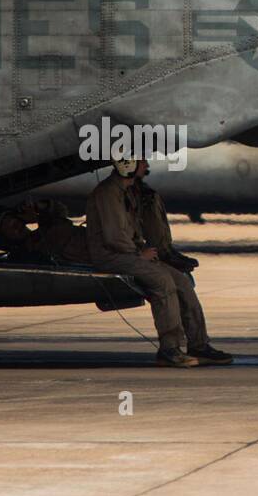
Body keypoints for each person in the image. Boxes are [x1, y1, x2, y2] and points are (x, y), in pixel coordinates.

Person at [85, 157, 232, 367]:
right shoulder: (108, 193)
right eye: (141, 161)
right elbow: (114, 237)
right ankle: (169, 349)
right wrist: (138, 254)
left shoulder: (130, 190)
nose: (146, 165)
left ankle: (199, 345)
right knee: (162, 282)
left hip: (131, 254)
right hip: (112, 256)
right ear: (127, 165)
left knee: (181, 282)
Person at [133, 159, 200, 273]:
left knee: (151, 196)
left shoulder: (143, 191)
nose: (147, 165)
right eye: (142, 160)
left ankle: (165, 249)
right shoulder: (131, 193)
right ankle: (162, 251)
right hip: (131, 251)